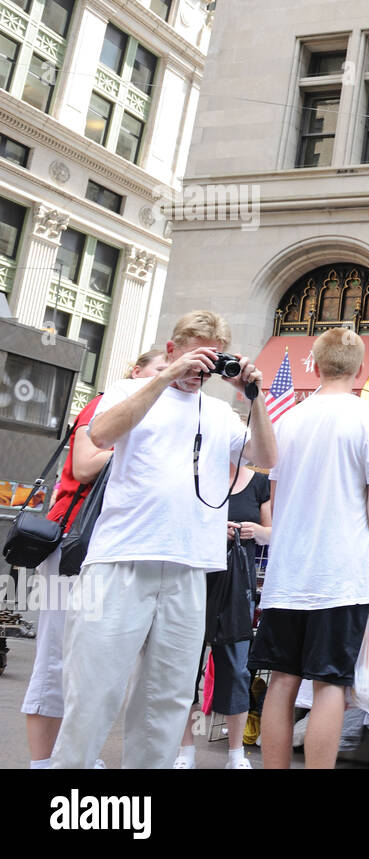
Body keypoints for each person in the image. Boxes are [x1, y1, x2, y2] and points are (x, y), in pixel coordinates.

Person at [51, 313, 274, 769]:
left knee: (167, 699)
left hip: (191, 566)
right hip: (121, 559)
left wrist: (254, 398)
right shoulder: (130, 391)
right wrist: (167, 377)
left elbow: (268, 458)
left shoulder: (218, 412)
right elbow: (101, 434)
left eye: (210, 360)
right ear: (172, 350)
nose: (200, 370)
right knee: (92, 689)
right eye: (195, 356)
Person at [251, 327, 369, 770]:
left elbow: (276, 500)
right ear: (359, 369)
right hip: (340, 574)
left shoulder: (289, 418)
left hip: (288, 573)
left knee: (281, 679)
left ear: (313, 365)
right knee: (330, 684)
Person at [22, 350, 167, 769]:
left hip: (102, 551)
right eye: (159, 370)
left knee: (90, 661)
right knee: (55, 657)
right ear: (136, 372)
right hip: (69, 547)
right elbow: (85, 465)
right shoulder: (103, 405)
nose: (165, 379)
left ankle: (75, 756)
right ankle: (43, 762)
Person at [174, 463, 271, 770]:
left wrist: (256, 531)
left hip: (238, 584)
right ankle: (184, 750)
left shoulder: (259, 483)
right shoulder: (196, 477)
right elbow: (178, 523)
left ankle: (235, 754)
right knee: (183, 670)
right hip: (194, 579)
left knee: (237, 670)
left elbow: (273, 531)